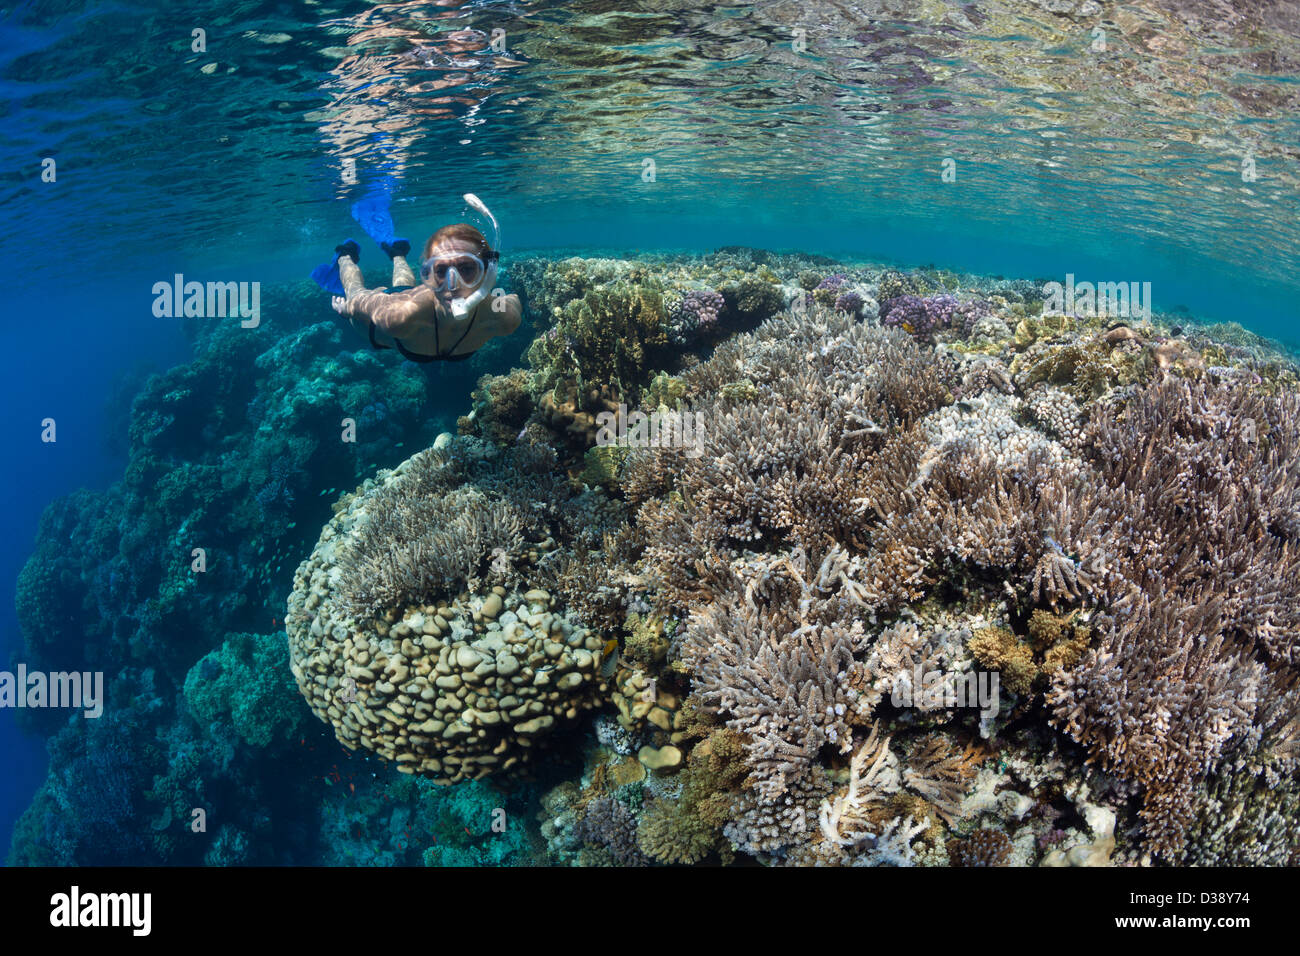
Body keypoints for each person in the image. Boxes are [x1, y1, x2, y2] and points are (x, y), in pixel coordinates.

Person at [328, 196, 521, 362]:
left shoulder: (504, 319)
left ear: (488, 274)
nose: (452, 285)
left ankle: (397, 253)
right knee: (356, 291)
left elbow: (512, 300)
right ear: (427, 275)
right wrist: (348, 309)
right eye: (441, 270)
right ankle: (345, 255)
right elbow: (360, 300)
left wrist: (497, 299)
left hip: (410, 307)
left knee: (403, 286)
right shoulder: (399, 318)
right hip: (378, 323)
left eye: (467, 268)